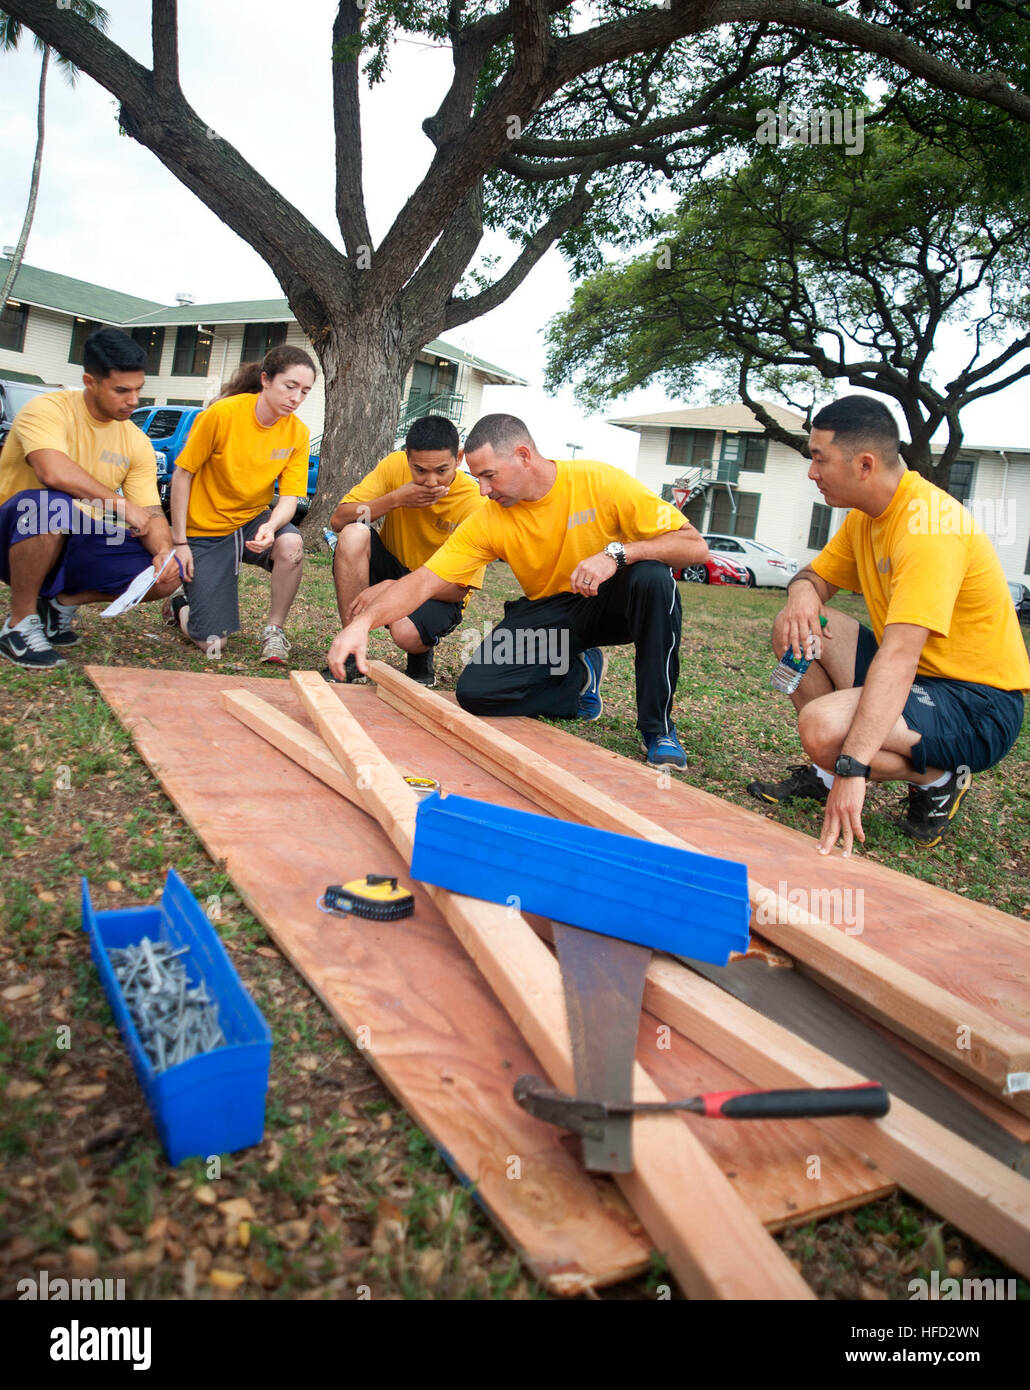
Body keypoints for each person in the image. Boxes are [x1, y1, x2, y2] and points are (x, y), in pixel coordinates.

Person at [326, 413, 709, 768]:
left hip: (613, 602)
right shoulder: (489, 518)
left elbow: (694, 547)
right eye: (477, 478)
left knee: (654, 579)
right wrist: (363, 623)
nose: (483, 489)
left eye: (490, 476)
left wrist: (618, 554)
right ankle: (578, 680)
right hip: (550, 612)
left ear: (524, 455)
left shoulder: (601, 482)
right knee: (478, 693)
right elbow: (424, 581)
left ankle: (657, 729)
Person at [747, 394, 1029, 852]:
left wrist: (854, 767)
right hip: (921, 677)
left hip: (978, 702)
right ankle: (825, 771)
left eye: (819, 459)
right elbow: (813, 577)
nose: (811, 472)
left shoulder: (930, 528)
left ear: (864, 464)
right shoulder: (866, 516)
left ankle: (940, 779)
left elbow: (899, 657)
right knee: (793, 628)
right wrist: (800, 597)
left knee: (821, 728)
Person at [0, 327, 178, 670]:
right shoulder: (46, 410)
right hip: (12, 534)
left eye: (139, 389)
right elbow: (52, 472)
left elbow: (152, 513)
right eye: (121, 390)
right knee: (52, 505)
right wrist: (121, 505)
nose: (133, 400)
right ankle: (18, 624)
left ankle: (57, 606)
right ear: (90, 381)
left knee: (169, 572)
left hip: (73, 537)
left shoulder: (136, 442)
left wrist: (163, 553)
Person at [164, 345, 314, 664]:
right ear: (265, 380)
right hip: (205, 528)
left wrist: (272, 527)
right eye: (290, 387)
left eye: (305, 391)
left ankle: (274, 631)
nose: (297, 398)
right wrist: (180, 541)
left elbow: (289, 498)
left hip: (251, 519)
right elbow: (182, 475)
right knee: (213, 644)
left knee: (291, 545)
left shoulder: (298, 433)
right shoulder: (222, 414)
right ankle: (180, 606)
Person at [327, 415, 486, 687]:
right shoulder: (393, 466)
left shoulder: (475, 502)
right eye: (420, 470)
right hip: (393, 563)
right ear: (406, 458)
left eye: (441, 470)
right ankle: (351, 653)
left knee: (405, 632)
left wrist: (393, 586)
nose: (431, 481)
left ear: (459, 458)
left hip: (440, 587)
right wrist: (394, 499)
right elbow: (339, 521)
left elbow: (459, 588)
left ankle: (420, 654)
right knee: (354, 533)